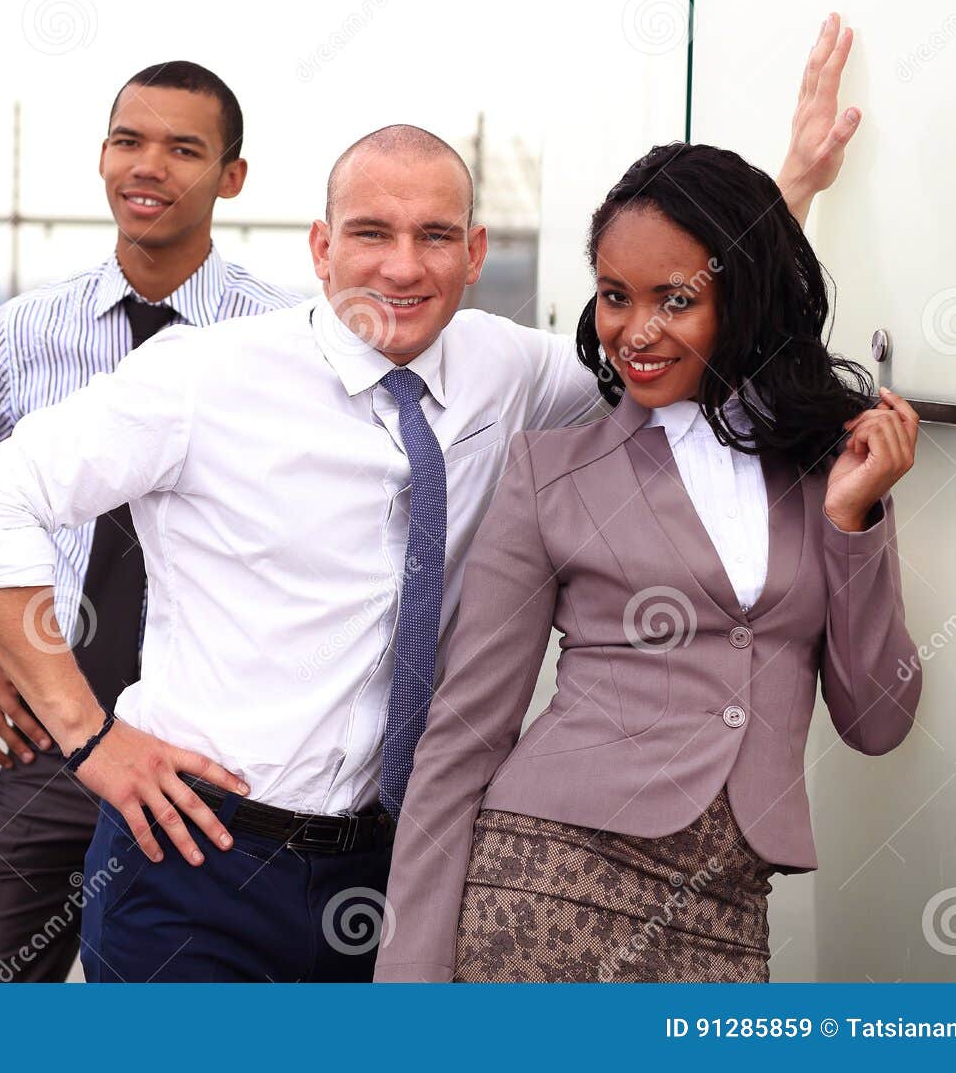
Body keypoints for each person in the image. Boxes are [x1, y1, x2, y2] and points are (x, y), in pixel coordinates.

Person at [0, 17, 860, 983]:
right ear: (322, 247)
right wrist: (89, 736)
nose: (404, 267)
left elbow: (674, 330)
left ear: (475, 250)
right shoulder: (204, 375)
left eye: (436, 236)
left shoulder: (510, 369)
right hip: (196, 860)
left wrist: (786, 194)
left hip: (386, 872)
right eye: (371, 233)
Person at [375, 141, 922, 983]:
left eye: (676, 299)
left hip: (729, 911)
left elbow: (877, 722)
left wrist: (854, 521)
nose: (636, 332)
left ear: (743, 296)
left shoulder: (828, 467)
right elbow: (465, 733)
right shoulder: (551, 471)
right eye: (614, 296)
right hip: (547, 886)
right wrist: (406, 986)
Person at [0, 61, 298, 982]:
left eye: (183, 148)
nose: (148, 165)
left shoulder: (281, 338)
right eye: (128, 141)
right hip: (61, 736)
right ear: (102, 156)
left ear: (231, 176)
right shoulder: (29, 330)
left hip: (214, 755)